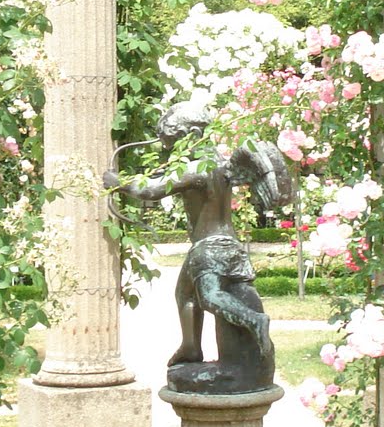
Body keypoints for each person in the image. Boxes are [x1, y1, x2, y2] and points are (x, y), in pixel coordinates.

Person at [104, 102, 292, 394]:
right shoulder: (223, 165)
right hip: (229, 246)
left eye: (174, 140)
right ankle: (190, 348)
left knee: (208, 297)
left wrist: (117, 183)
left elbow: (151, 191)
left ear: (193, 134)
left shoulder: (196, 168)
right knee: (184, 293)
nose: (170, 148)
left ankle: (253, 320)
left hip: (208, 248)